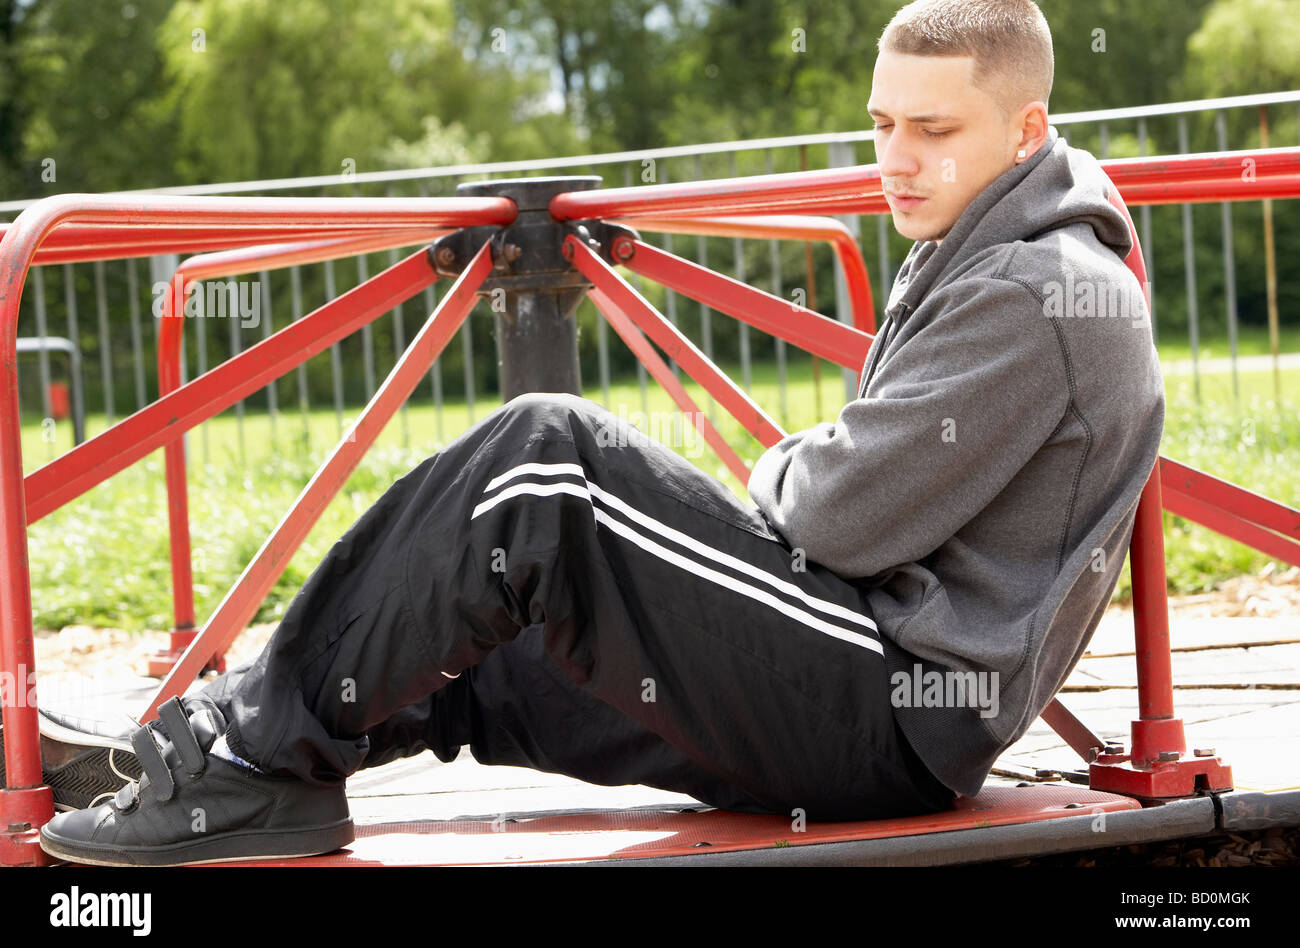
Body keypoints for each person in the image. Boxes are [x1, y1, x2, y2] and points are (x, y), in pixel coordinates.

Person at [36, 0, 1164, 865]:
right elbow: (866, 484)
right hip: (861, 664)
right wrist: (819, 468)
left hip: (896, 708)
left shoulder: (1034, 288)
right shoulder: (993, 240)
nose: (896, 157)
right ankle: (214, 746)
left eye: (933, 128)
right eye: (880, 123)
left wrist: (784, 465)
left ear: (1028, 129)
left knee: (547, 461)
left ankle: (240, 758)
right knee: (488, 639)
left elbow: (832, 511)